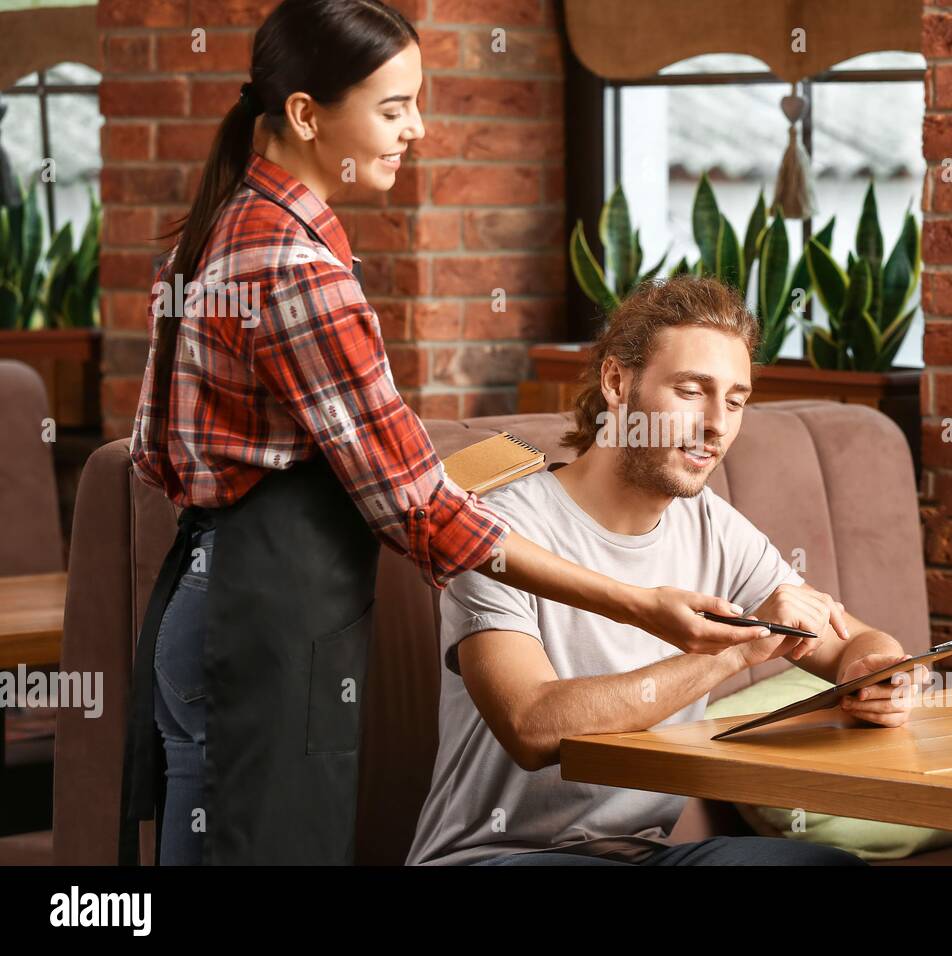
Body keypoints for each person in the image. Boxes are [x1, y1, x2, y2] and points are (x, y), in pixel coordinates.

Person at [122, 0, 778, 867]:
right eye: (392, 109)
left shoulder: (224, 230)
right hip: (264, 629)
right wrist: (640, 605)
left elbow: (155, 452)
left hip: (216, 608)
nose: (417, 129)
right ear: (308, 115)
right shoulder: (296, 268)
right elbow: (427, 517)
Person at [406, 276, 923, 867]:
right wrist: (733, 654)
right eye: (690, 391)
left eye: (734, 401)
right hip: (495, 856)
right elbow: (531, 726)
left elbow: (852, 639)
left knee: (826, 867)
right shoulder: (498, 528)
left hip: (640, 856)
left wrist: (881, 672)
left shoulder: (711, 524)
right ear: (617, 381)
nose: (716, 425)